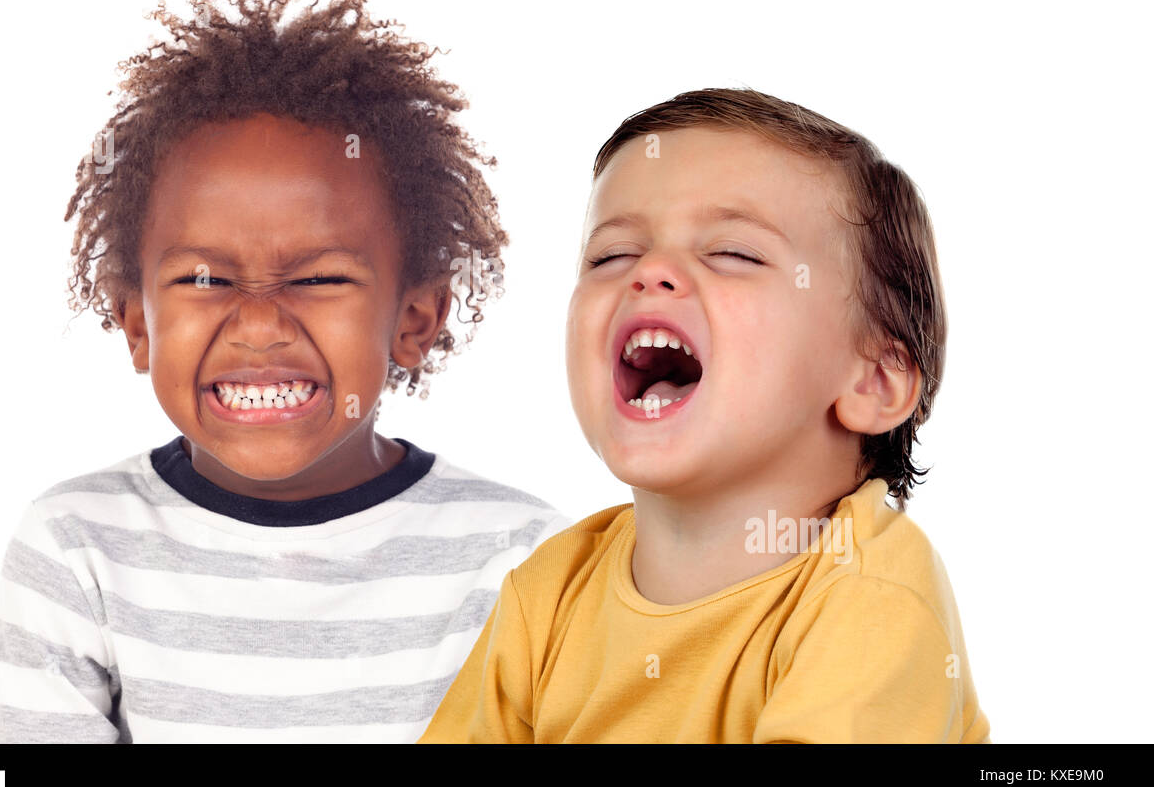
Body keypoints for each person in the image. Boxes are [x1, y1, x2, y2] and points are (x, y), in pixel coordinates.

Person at [0, 0, 568, 743]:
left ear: (416, 318)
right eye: (205, 279)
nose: (259, 325)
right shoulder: (76, 547)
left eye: (321, 277)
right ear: (136, 324)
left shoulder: (524, 560)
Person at [419, 88, 990, 743]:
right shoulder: (548, 593)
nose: (651, 271)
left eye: (733, 253)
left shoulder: (873, 597)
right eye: (611, 255)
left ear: (874, 380)